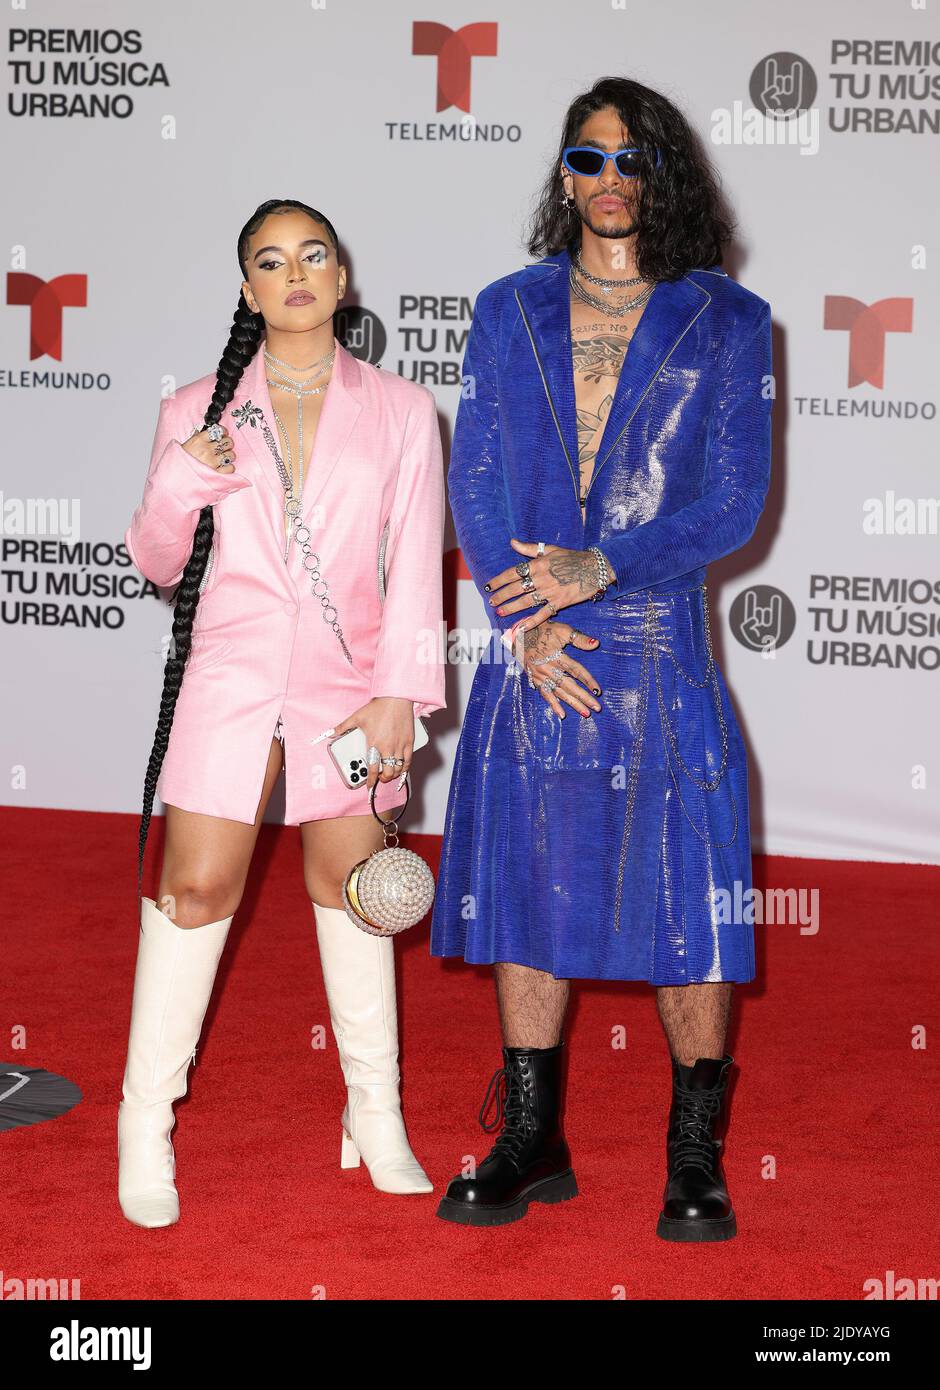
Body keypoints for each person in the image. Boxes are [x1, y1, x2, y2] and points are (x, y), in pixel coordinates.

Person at [430, 78, 773, 1240]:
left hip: (655, 635)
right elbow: (473, 475)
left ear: (664, 176)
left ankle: (694, 1154)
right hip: (535, 639)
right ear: (563, 175)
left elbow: (731, 504)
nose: (611, 180)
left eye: (634, 161)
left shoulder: (729, 321)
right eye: (589, 158)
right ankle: (533, 1136)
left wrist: (603, 566)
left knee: (687, 894)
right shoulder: (504, 308)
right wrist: (520, 619)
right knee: (529, 887)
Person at [118, 199, 445, 1227]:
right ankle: (144, 1123)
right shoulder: (192, 411)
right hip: (229, 676)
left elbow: (416, 569)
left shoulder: (400, 410)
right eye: (271, 259)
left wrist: (402, 691)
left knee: (353, 888)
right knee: (195, 888)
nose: (294, 273)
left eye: (313, 255)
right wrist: (177, 484)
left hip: (351, 687)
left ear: (341, 277)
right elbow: (157, 562)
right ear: (247, 287)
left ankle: (375, 1112)